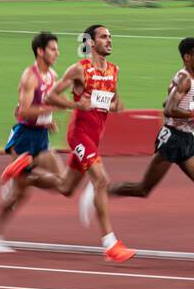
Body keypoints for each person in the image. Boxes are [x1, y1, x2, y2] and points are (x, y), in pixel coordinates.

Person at [107, 37, 194, 260]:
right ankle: (103, 192)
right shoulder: (185, 78)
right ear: (187, 58)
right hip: (172, 140)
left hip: (186, 139)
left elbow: (167, 101)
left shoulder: (191, 79)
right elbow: (168, 109)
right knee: (143, 189)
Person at [0, 31, 79, 253]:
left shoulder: (52, 75)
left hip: (40, 136)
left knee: (63, 183)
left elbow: (40, 105)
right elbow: (24, 110)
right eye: (53, 49)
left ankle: (23, 179)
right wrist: (52, 109)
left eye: (57, 48)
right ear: (40, 51)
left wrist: (48, 119)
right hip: (24, 137)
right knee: (20, 193)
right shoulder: (29, 76)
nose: (57, 53)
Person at [49, 25, 135, 263]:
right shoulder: (79, 70)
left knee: (66, 187)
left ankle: (26, 172)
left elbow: (118, 104)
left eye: (110, 37)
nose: (109, 40)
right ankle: (110, 244)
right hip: (79, 135)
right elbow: (52, 96)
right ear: (91, 42)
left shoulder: (114, 71)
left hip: (95, 136)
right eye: (104, 36)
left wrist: (106, 103)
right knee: (101, 179)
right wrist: (77, 105)